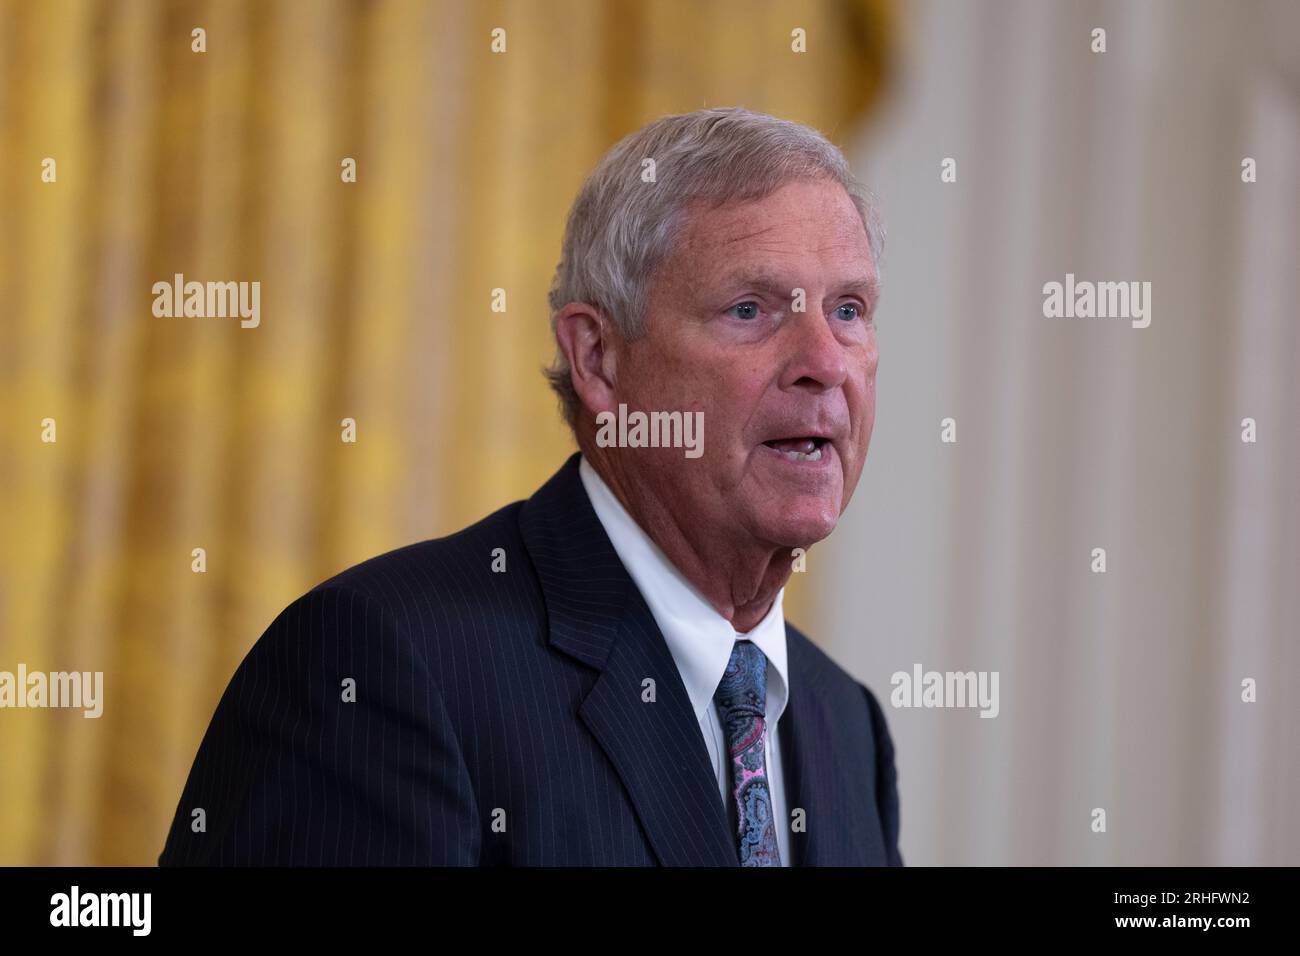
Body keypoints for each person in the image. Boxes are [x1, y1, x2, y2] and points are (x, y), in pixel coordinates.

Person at [159, 106, 901, 866]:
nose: (825, 361)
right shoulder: (384, 666)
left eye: (849, 310)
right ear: (599, 359)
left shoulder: (845, 726)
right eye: (750, 310)